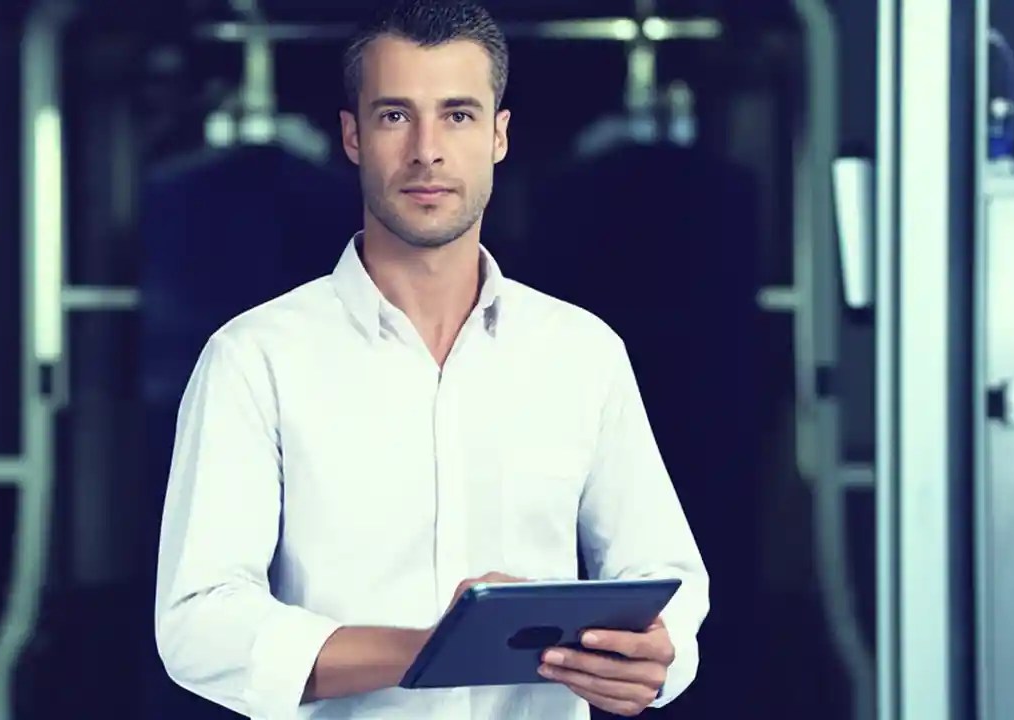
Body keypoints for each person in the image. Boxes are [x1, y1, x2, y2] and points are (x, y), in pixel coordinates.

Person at [153, 1, 709, 717]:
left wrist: (658, 659)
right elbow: (198, 623)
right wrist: (435, 646)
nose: (426, 150)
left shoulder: (582, 354)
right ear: (352, 136)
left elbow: (666, 579)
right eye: (394, 116)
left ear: (499, 136)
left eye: (458, 115)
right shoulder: (254, 359)